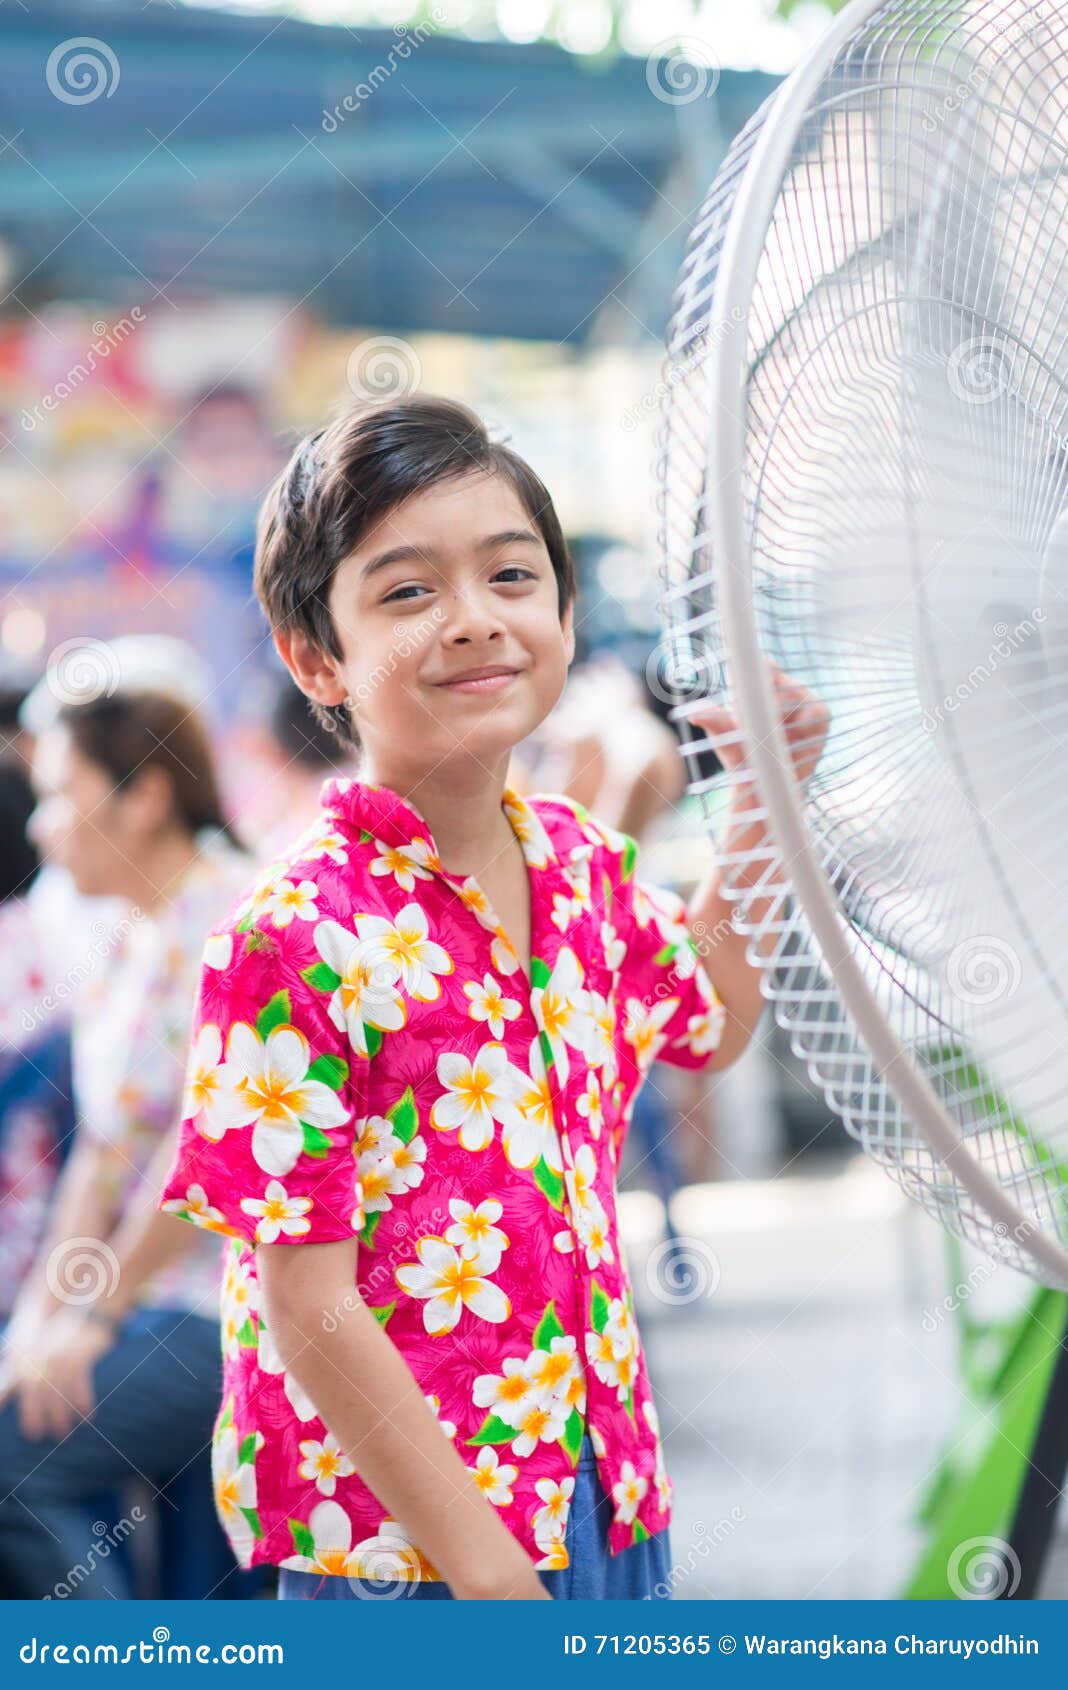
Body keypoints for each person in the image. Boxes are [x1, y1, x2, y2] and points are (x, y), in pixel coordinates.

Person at [156, 394, 829, 1601]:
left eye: (512, 575)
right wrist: (485, 1571)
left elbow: (712, 1020)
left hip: (606, 1492)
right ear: (317, 655)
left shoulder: (577, 862)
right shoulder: (292, 935)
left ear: (563, 612)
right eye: (407, 593)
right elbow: (303, 1300)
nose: (476, 620)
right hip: (409, 1554)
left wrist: (769, 802)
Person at [0, 686, 254, 1599]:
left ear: (144, 797)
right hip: (147, 1295)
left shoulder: (238, 920)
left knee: (11, 1474)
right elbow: (102, 1158)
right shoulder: (123, 938)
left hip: (235, 1307)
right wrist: (42, 1318)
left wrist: (93, 1318)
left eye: (62, 795)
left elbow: (204, 1157)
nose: (42, 828)